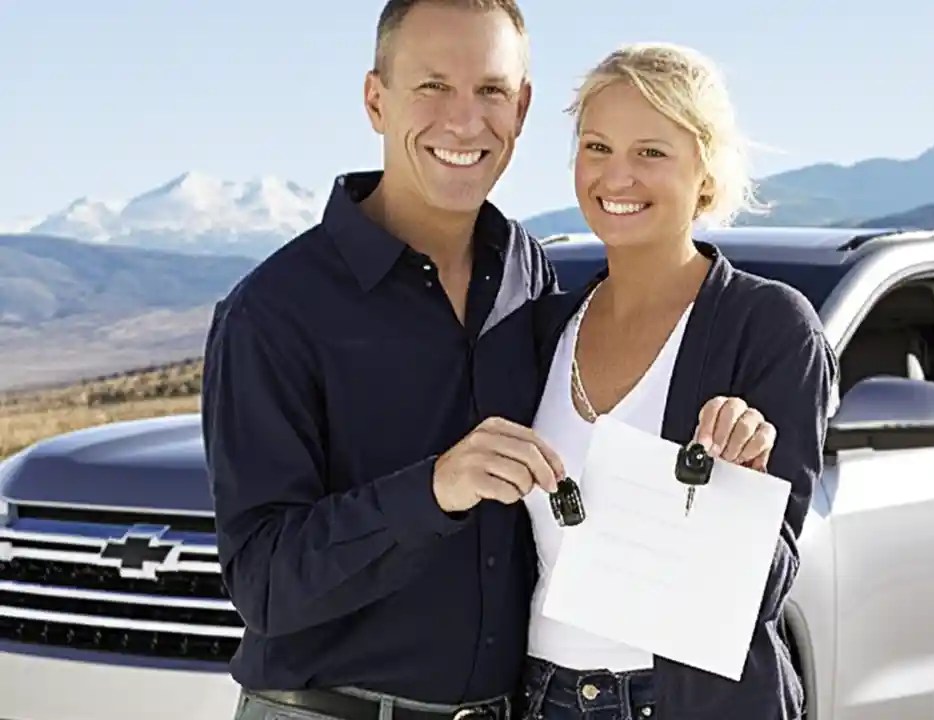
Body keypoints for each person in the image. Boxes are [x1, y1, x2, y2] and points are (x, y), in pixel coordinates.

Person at [200, 2, 780, 719]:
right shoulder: (275, 312)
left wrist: (727, 480)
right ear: (376, 100)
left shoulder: (529, 279)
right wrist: (435, 489)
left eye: (491, 91)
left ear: (523, 107)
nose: (465, 121)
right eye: (433, 87)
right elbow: (260, 583)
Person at [515, 43, 837, 720]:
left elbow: (768, 587)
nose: (616, 176)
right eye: (597, 147)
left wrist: (740, 484)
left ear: (707, 177)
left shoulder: (770, 327)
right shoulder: (543, 328)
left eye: (651, 153)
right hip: (540, 698)